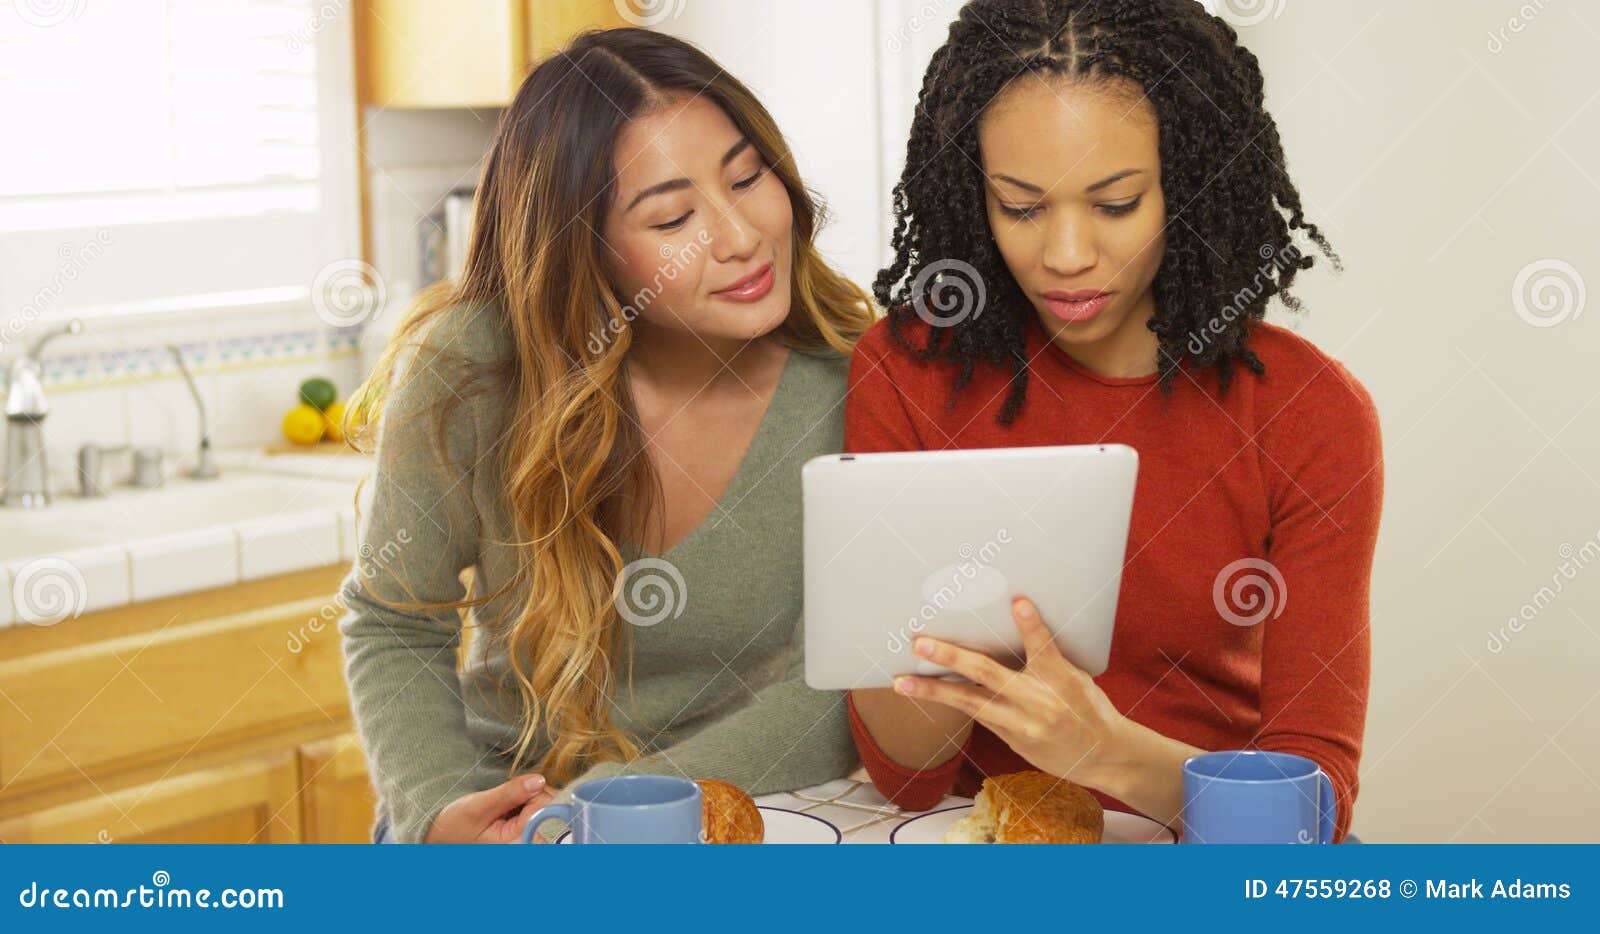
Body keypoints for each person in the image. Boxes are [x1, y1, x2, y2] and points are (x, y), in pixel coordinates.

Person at [846, 0, 1382, 842]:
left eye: (1117, 204)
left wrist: (1105, 753)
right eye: (1021, 207)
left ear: (1190, 184)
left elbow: (1308, 812)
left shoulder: (1308, 413)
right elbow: (909, 779)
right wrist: (945, 614)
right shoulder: (908, 370)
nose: (1066, 256)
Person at [340, 27, 874, 844]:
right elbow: (393, 620)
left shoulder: (855, 387)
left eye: (747, 178)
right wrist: (437, 810)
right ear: (584, 251)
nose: (740, 237)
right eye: (672, 217)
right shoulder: (472, 368)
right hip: (497, 823)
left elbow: (836, 693)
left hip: (729, 815)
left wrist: (604, 805)